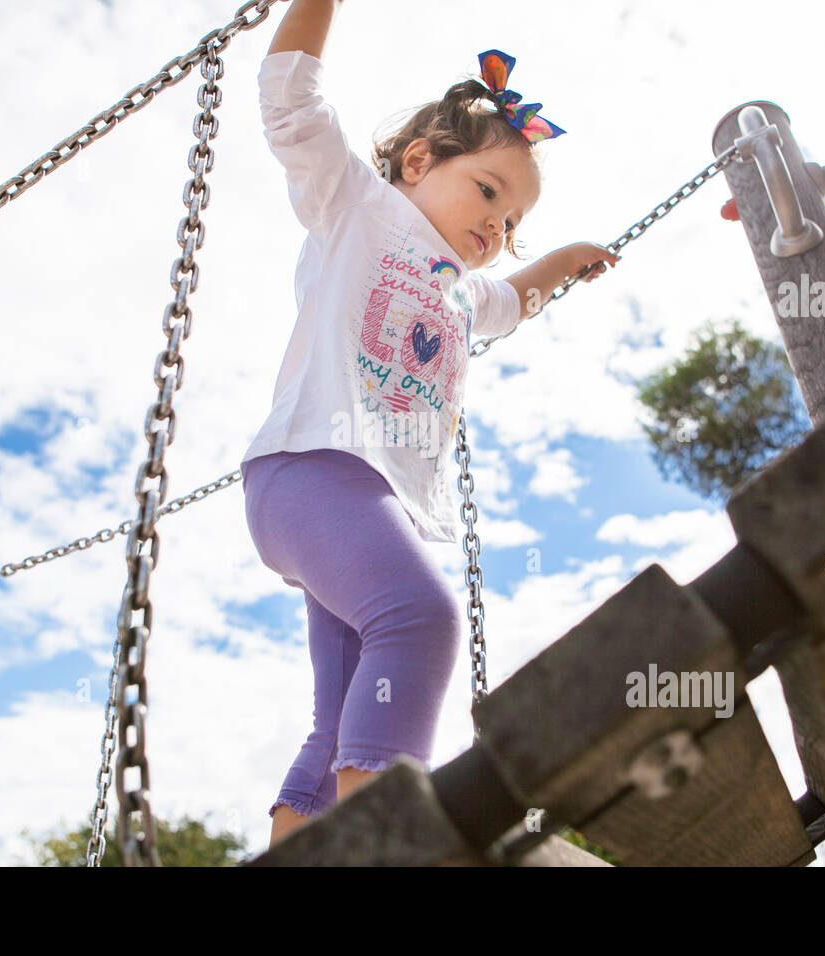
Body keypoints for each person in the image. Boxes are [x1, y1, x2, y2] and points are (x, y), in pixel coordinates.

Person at [244, 0, 618, 849]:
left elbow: (511, 304)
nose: (499, 225)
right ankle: (392, 846)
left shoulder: (462, 289)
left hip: (357, 501)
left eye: (514, 221)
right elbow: (292, 105)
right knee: (421, 620)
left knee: (337, 716)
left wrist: (559, 260)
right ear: (419, 160)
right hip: (313, 471)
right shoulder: (360, 208)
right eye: (489, 191)